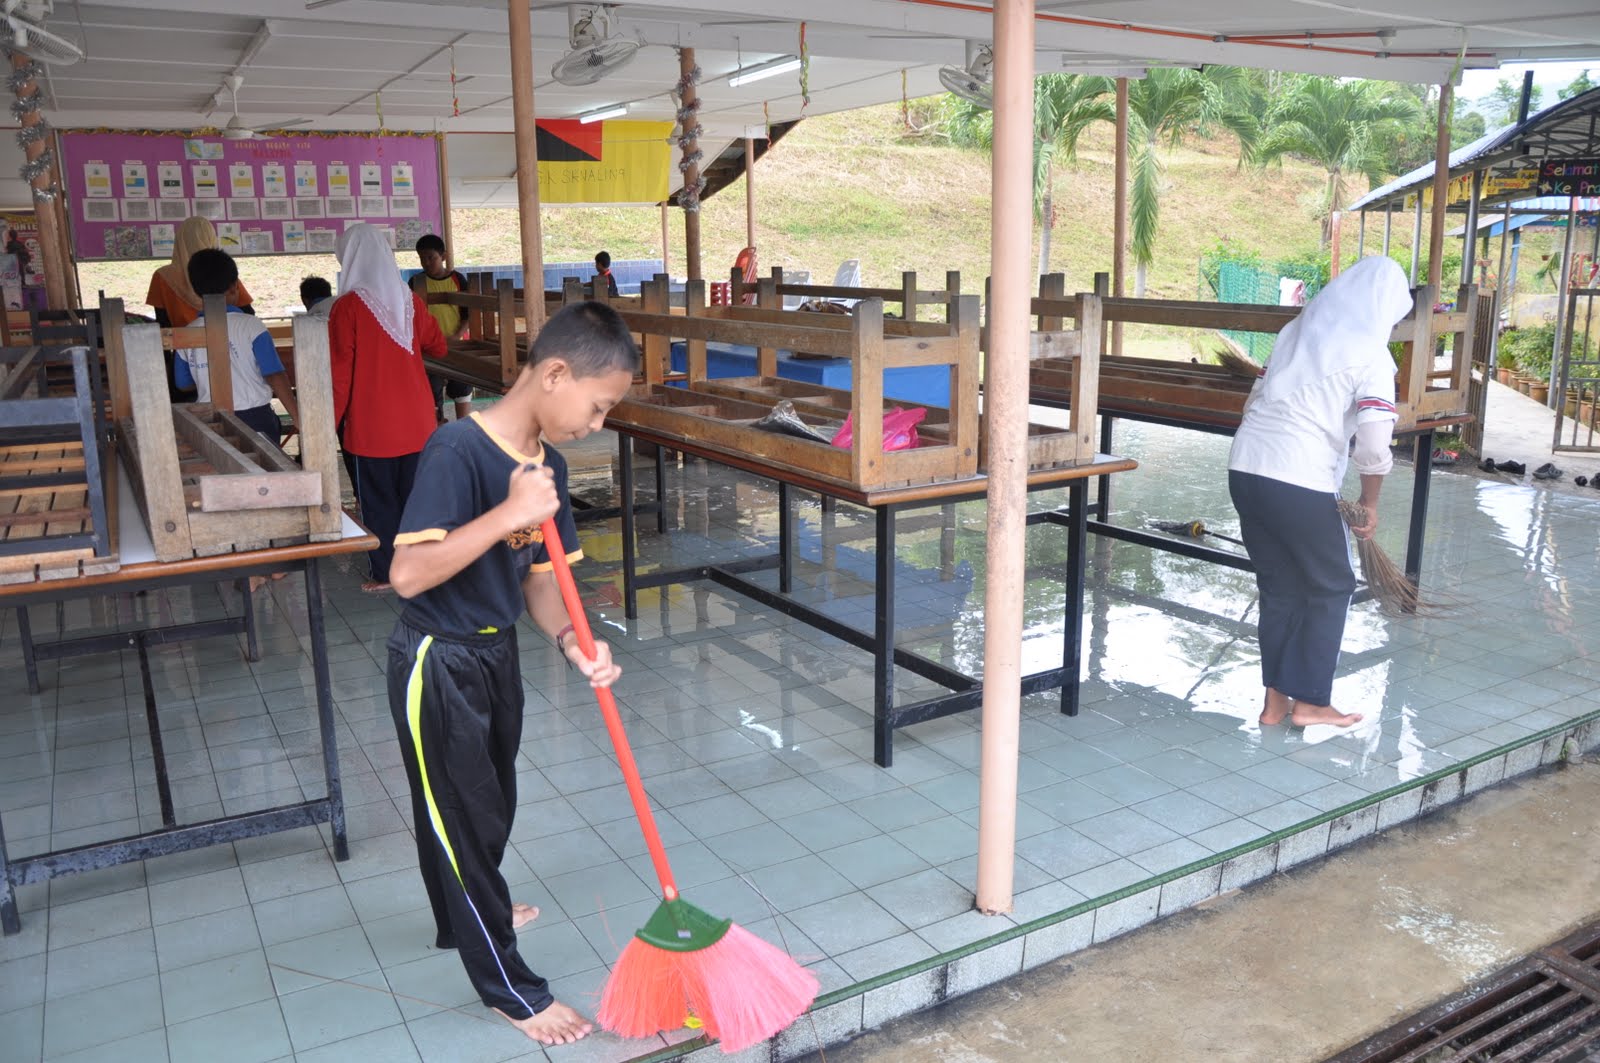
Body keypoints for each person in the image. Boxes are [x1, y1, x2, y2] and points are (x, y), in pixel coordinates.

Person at [384, 300, 637, 1046]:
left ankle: (464, 909)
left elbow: (537, 577)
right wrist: (507, 511)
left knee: (485, 808)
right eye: (597, 406)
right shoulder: (457, 451)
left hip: (497, 655)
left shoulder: (547, 468)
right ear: (555, 373)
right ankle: (511, 987)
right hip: (439, 657)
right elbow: (406, 573)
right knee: (465, 818)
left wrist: (570, 639)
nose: (596, 424)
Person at [1228, 256, 1412, 730]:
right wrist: (1369, 503)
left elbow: (1255, 399)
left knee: (1281, 586)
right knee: (1332, 586)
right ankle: (1310, 702)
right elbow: (1374, 444)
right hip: (1297, 476)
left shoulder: (1295, 333)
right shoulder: (1372, 355)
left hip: (1246, 468)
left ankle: (1274, 705)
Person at [329, 223, 443, 592]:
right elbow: (438, 346)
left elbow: (339, 374)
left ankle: (387, 575)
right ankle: (426, 569)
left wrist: (327, 424)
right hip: (419, 424)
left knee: (378, 503)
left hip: (371, 428)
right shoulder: (410, 301)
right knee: (418, 499)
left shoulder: (346, 309)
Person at [173, 248, 298, 448]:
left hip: (210, 420)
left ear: (196, 290)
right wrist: (297, 416)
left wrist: (206, 373)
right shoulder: (251, 325)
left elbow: (183, 383)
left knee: (222, 475)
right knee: (265, 474)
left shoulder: (186, 332)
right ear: (233, 287)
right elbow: (274, 374)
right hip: (254, 417)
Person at [409, 233, 475, 422]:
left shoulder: (458, 280)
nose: (426, 263)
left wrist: (457, 335)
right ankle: (437, 431)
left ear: (443, 257)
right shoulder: (416, 282)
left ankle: (464, 429)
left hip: (457, 344)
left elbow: (468, 313)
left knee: (461, 387)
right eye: (422, 258)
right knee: (431, 389)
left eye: (431, 257)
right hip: (428, 348)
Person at [146, 216, 254, 327]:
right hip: (230, 339)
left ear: (179, 239)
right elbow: (248, 313)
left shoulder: (162, 277)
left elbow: (162, 322)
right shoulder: (223, 271)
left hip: (182, 341)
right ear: (211, 238)